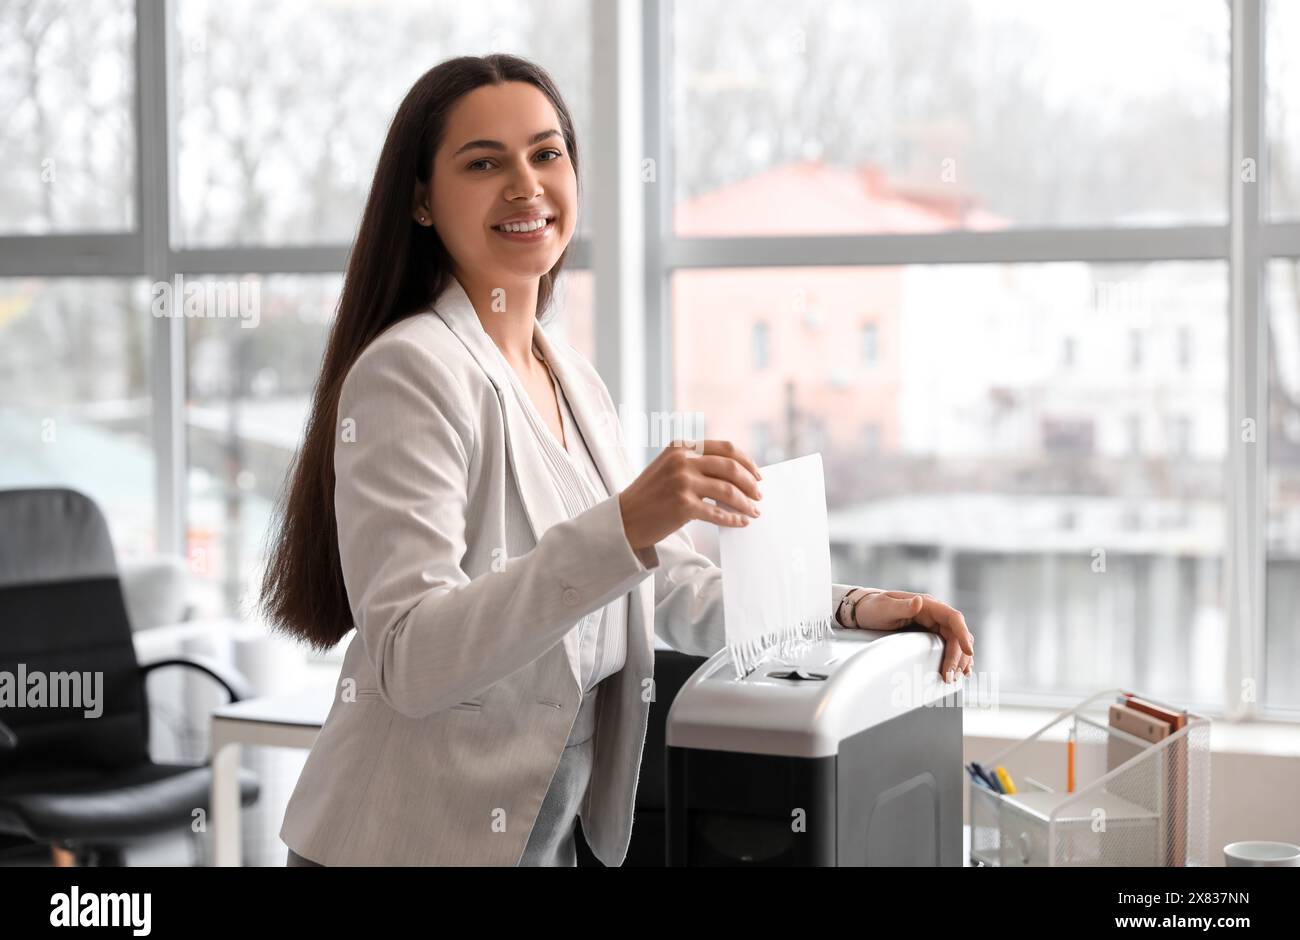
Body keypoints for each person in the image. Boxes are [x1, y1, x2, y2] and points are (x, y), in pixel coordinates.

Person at [260, 53, 974, 868]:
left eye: (546, 152)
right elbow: (413, 659)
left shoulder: (570, 376)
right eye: (484, 162)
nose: (526, 184)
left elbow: (670, 587)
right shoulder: (410, 370)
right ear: (421, 199)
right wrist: (626, 524)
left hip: (541, 835)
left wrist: (853, 608)